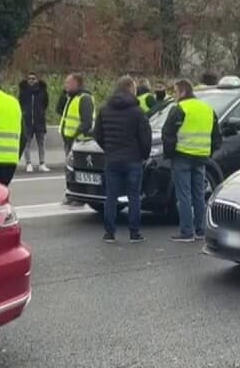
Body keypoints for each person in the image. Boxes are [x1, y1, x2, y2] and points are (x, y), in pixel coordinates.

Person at [93, 76, 151, 244]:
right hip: (133, 159)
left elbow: (97, 135)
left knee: (111, 196)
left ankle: (109, 233)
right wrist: (143, 155)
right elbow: (145, 137)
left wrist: (108, 149)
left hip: (112, 159)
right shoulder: (137, 111)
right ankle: (134, 233)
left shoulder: (104, 110)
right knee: (134, 196)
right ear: (130, 88)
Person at [161, 78, 220, 242]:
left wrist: (170, 154)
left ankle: (186, 232)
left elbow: (167, 133)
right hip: (201, 158)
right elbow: (216, 137)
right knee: (199, 195)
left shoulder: (180, 108)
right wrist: (208, 153)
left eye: (175, 92)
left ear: (183, 92)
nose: (174, 96)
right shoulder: (207, 109)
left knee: (184, 196)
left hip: (182, 157)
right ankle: (200, 230)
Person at [19, 72, 50, 173]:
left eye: (33, 79)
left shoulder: (42, 91)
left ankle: (42, 163)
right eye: (29, 79)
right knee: (27, 144)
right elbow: (21, 103)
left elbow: (45, 103)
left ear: (37, 80)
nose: (31, 81)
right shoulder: (24, 91)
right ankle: (28, 164)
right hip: (27, 122)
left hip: (39, 122)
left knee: (41, 143)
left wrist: (40, 112)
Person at [55, 73, 94, 154]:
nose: (65, 85)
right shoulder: (72, 97)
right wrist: (64, 93)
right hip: (69, 140)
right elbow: (59, 109)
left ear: (75, 84)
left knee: (75, 161)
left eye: (68, 83)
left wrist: (76, 136)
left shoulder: (84, 98)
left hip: (79, 141)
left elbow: (87, 122)